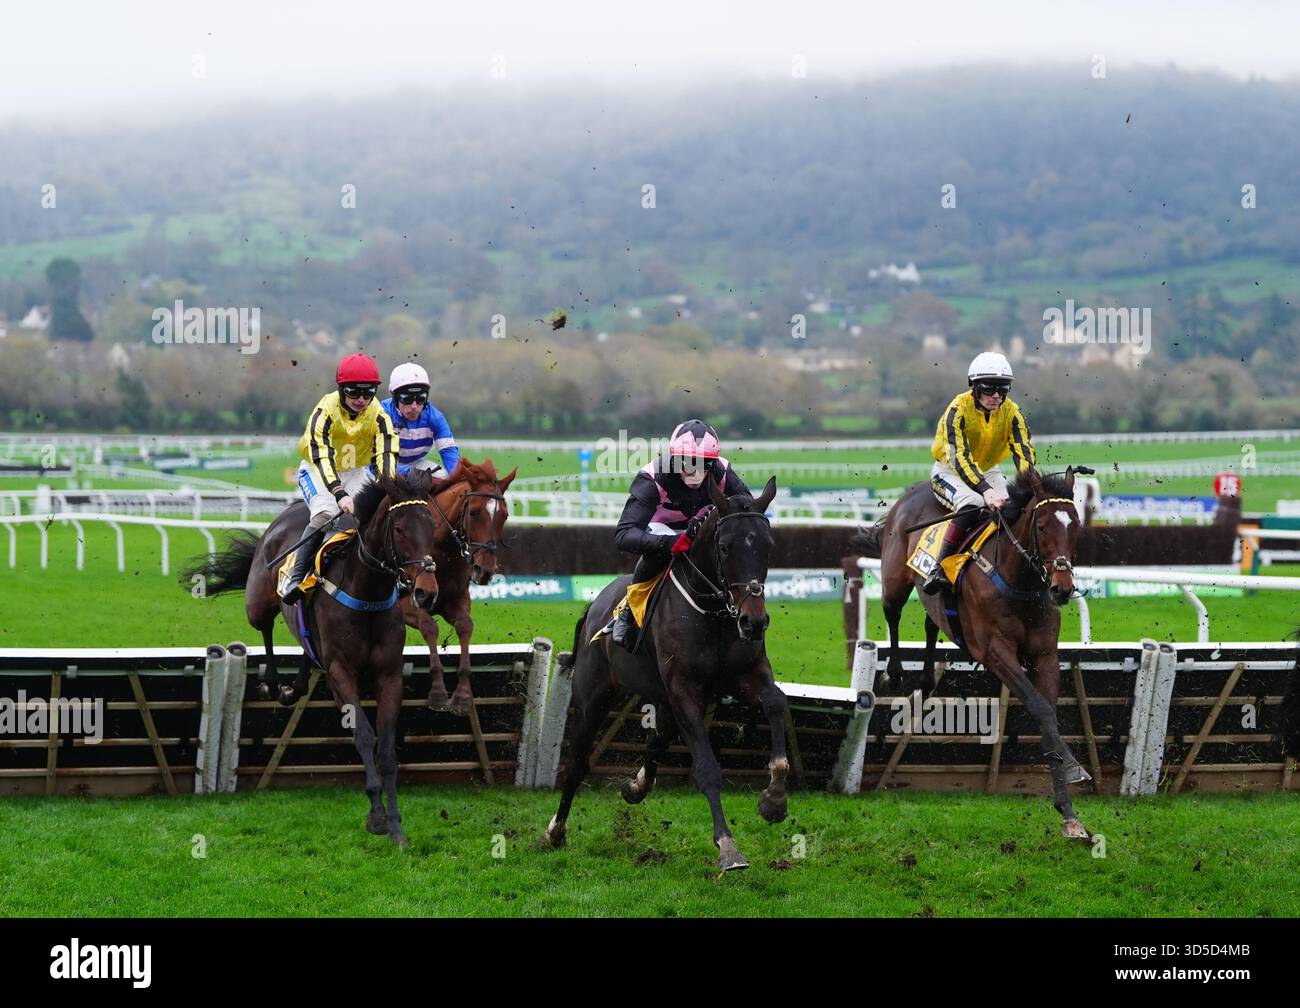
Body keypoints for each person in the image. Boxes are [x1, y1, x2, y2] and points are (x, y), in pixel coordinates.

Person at [604, 419, 752, 651]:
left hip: (701, 528)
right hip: (661, 529)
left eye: (704, 464)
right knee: (657, 556)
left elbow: (747, 512)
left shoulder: (723, 472)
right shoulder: (652, 478)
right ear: (674, 457)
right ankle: (629, 612)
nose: (695, 471)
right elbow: (624, 535)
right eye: (687, 461)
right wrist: (669, 542)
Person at [281, 353, 400, 604]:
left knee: (374, 514)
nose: (361, 399)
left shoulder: (378, 414)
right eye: (354, 392)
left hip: (356, 471)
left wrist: (387, 488)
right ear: (341, 389)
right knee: (325, 514)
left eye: (368, 393)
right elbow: (321, 456)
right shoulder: (325, 410)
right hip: (318, 469)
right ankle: (296, 576)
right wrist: (339, 493)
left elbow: (387, 453)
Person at [922, 351, 1037, 596]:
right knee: (972, 504)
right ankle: (940, 568)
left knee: (1014, 504)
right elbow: (960, 458)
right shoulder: (957, 410)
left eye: (1003, 390)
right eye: (989, 389)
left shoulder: (1012, 412)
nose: (996, 396)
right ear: (973, 386)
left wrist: (1033, 485)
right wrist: (985, 491)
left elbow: (1024, 451)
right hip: (949, 470)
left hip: (988, 469)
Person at [379, 362, 461, 475]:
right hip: (379, 465)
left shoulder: (436, 418)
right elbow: (381, 462)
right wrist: (411, 473)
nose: (414, 406)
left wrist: (459, 477)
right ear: (395, 398)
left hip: (415, 463)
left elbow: (449, 452)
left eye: (420, 399)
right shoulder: (382, 414)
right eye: (407, 399)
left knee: (444, 477)